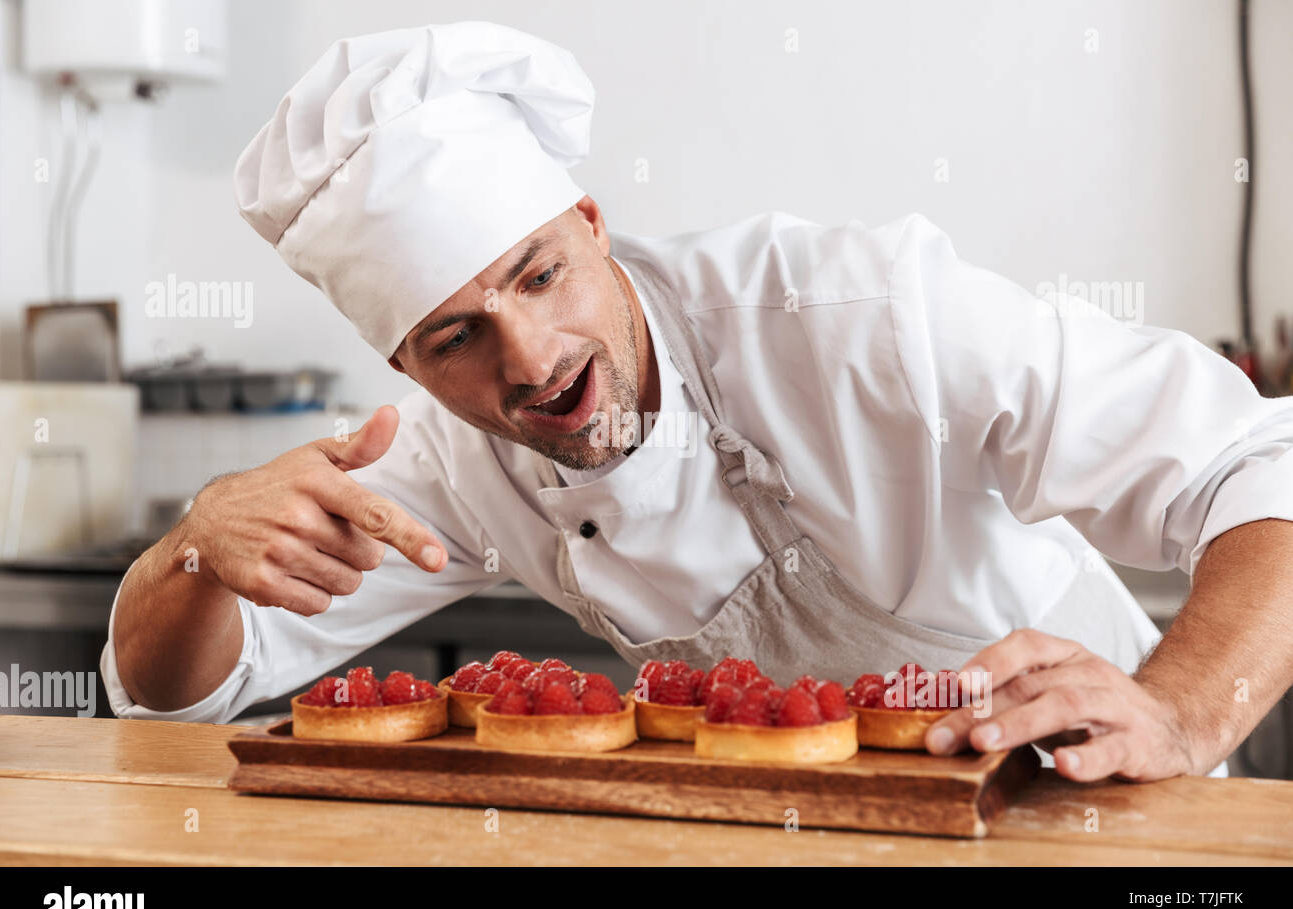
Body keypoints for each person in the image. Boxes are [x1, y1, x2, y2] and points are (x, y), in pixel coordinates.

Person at [103, 21, 1293, 783]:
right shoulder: (444, 470)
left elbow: (1256, 466)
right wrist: (199, 552)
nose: (529, 361)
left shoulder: (862, 313)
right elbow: (175, 695)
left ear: (590, 225)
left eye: (538, 273)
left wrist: (1183, 711)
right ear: (408, 367)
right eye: (457, 335)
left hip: (1080, 799)